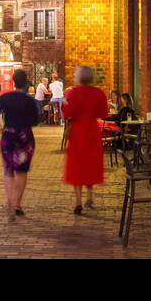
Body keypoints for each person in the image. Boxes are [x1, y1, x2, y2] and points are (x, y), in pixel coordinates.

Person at [0, 68, 39, 220]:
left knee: (8, 169)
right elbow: (35, 120)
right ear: (26, 83)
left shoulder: (5, 98)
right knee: (21, 171)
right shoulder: (29, 100)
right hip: (25, 137)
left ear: (13, 81)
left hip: (9, 135)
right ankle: (17, 204)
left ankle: (10, 201)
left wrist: (0, 128)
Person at [61, 65, 108, 214]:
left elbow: (68, 113)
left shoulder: (73, 94)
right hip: (93, 132)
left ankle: (78, 201)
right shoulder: (98, 93)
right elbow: (104, 112)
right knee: (90, 163)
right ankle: (90, 195)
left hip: (78, 132)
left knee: (78, 165)